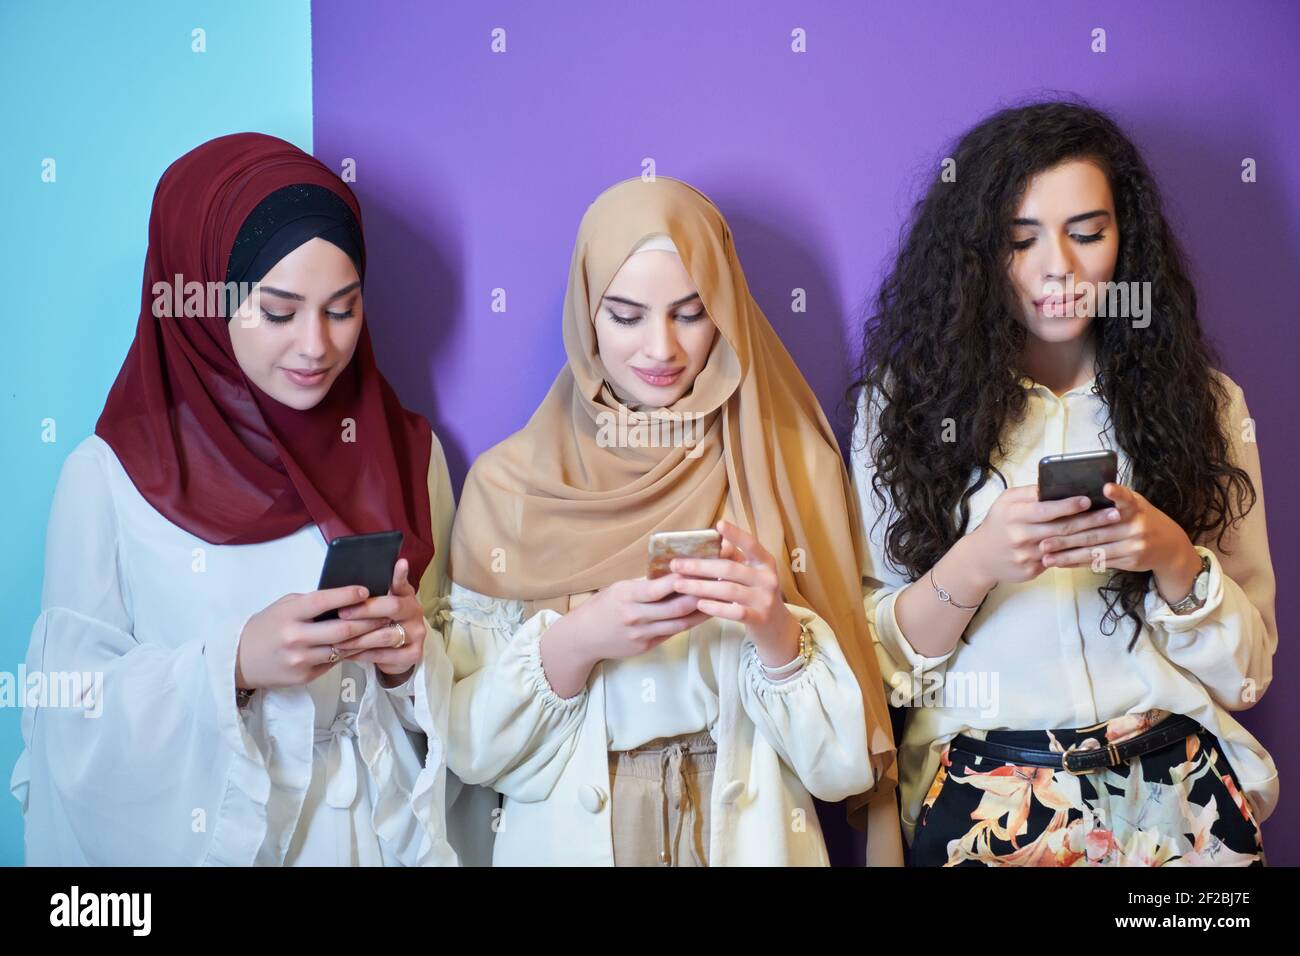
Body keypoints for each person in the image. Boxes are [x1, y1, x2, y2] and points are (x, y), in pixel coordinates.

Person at [10, 132, 458, 866]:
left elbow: (457, 712)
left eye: (342, 309)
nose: (316, 346)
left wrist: (411, 663)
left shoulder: (407, 452)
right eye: (277, 312)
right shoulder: (110, 477)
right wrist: (234, 665)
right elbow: (68, 722)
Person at [850, 101, 1277, 866]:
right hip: (989, 801)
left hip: (1176, 791)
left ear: (1127, 242)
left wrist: (1172, 558)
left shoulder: (1208, 405)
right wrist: (976, 563)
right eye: (1022, 240)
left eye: (1088, 233)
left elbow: (1249, 677)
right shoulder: (902, 410)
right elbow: (878, 672)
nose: (1061, 267)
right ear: (979, 254)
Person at [439, 176, 901, 865]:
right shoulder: (510, 487)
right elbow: (469, 753)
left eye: (690, 312)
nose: (660, 349)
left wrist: (774, 629)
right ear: (585, 315)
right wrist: (579, 640)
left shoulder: (788, 462)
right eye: (625, 316)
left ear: (727, 311)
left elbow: (842, 767)